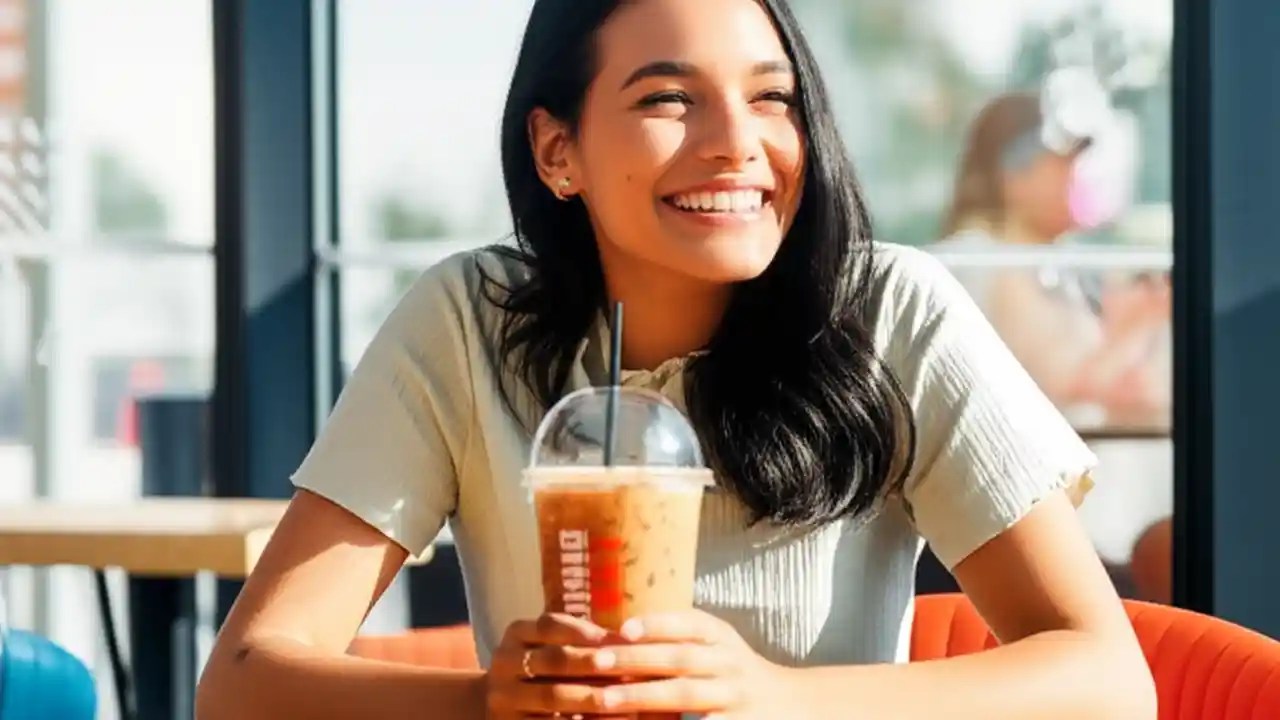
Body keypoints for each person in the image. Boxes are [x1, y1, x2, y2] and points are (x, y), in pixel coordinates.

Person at [196, 1, 1157, 718]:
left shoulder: (891, 314)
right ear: (556, 148)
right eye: (668, 98)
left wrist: (769, 696)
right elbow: (244, 681)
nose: (738, 145)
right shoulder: (468, 321)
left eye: (771, 98)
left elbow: (1107, 681)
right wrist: (489, 702)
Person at [938, 87, 1171, 430]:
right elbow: (1064, 388)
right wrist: (1135, 324)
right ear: (1013, 173)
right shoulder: (987, 263)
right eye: (1060, 165)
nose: (1074, 178)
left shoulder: (1052, 264)